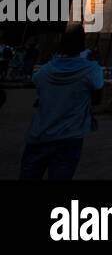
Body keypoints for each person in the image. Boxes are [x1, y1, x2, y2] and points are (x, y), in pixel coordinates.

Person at [20, 26, 103, 180]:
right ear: (83, 47)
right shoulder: (91, 70)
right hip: (69, 135)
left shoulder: (44, 71)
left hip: (39, 133)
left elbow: (38, 89)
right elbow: (97, 96)